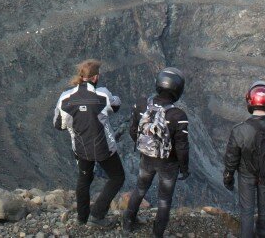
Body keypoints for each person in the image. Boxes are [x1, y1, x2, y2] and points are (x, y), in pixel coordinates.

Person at [53, 59, 125, 227]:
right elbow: (116, 105)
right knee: (117, 177)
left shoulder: (65, 98)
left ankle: (82, 218)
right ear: (95, 78)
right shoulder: (102, 94)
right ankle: (97, 214)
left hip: (81, 148)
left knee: (84, 179)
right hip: (103, 148)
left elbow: (58, 125)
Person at [122, 67, 190, 237]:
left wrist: (145, 148)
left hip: (146, 158)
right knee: (164, 199)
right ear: (178, 90)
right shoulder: (178, 115)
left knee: (139, 189)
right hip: (168, 163)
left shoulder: (141, 104)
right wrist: (184, 168)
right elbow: (182, 147)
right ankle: (157, 233)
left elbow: (133, 131)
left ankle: (127, 224)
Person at [223, 81, 265, 238]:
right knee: (264, 207)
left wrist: (228, 177)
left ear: (250, 101)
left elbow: (231, 159)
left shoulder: (240, 130)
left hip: (246, 175)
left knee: (247, 210)